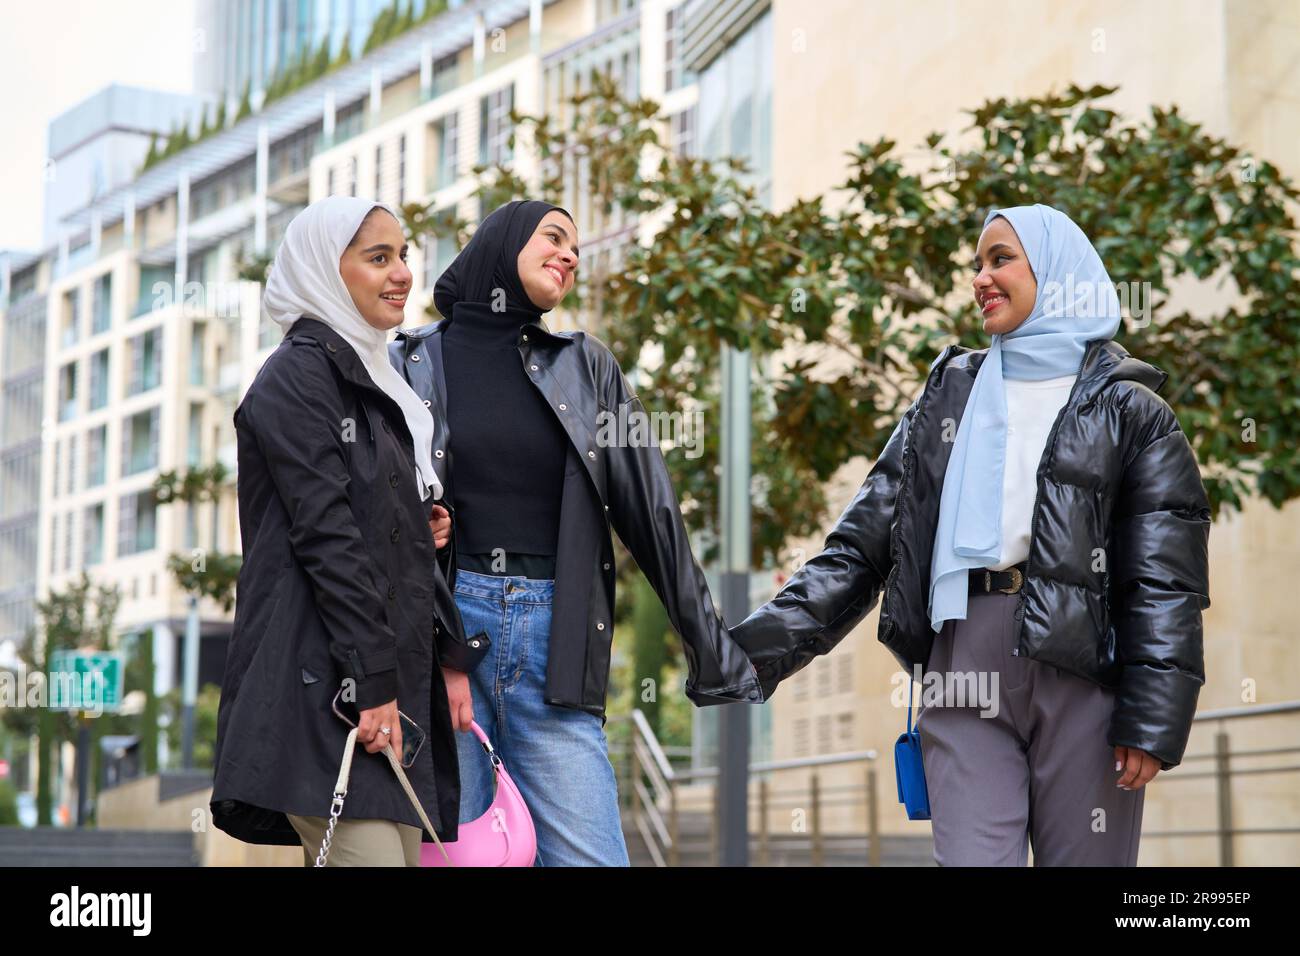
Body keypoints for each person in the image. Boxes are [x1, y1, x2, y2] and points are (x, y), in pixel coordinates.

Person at [730, 203, 1211, 866]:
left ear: (1056, 270)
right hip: (963, 659)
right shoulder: (948, 396)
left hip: (1084, 671)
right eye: (976, 264)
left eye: (1000, 259)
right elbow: (859, 547)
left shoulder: (1133, 410)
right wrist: (748, 653)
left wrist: (1154, 717)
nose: (981, 277)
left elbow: (1165, 579)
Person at [389, 199, 761, 866]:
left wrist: (712, 644)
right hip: (443, 647)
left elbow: (654, 512)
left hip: (553, 642)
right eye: (554, 237)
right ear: (502, 244)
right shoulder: (407, 360)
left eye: (577, 249)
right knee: (472, 858)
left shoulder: (587, 367)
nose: (570, 254)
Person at [211, 196, 471, 866]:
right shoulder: (298, 377)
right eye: (377, 256)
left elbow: (368, 524)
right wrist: (372, 682)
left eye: (404, 254)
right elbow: (327, 539)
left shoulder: (375, 386)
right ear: (326, 270)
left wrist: (419, 528)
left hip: (378, 699)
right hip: (326, 695)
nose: (403, 273)